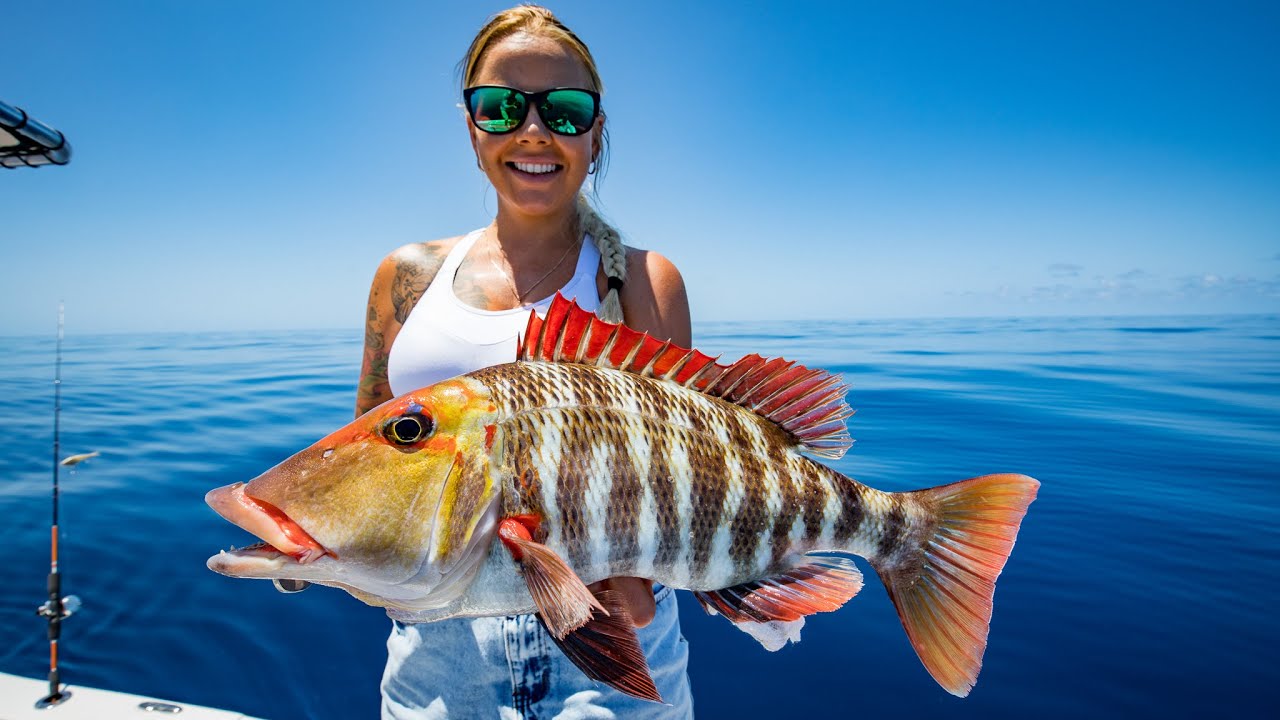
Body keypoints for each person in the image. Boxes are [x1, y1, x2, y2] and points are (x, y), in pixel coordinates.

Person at [355, 6, 694, 719]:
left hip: (608, 652)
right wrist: (312, 552)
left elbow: (685, 478)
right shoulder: (405, 277)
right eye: (503, 106)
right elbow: (369, 456)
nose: (534, 131)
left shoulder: (642, 281)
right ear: (472, 126)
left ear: (596, 131)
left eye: (565, 111)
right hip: (439, 658)